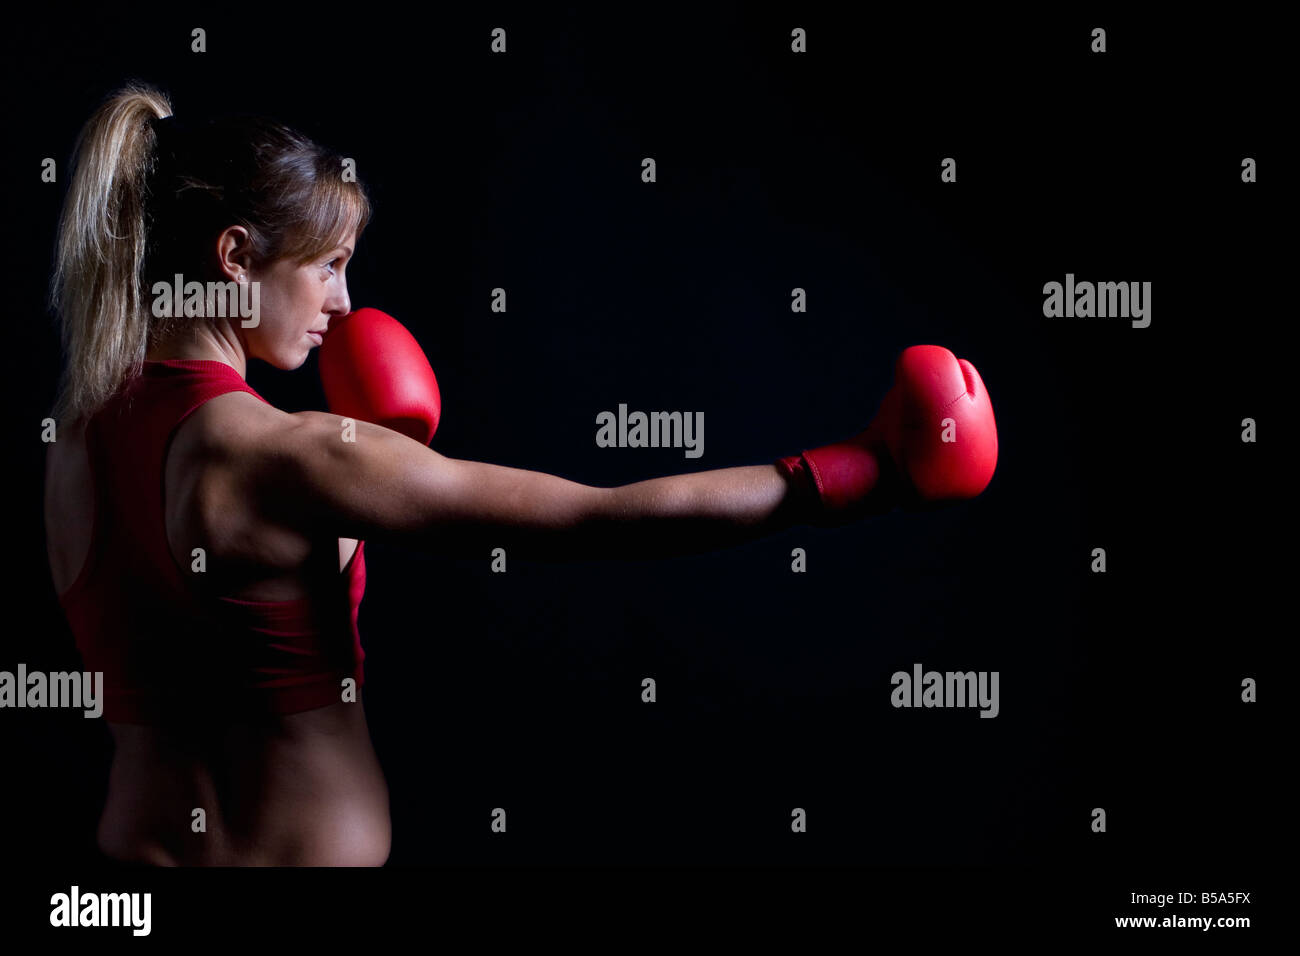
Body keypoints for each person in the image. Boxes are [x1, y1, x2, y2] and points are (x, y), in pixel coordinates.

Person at [44, 82, 998, 867]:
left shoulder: (77, 443)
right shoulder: (290, 456)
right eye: (329, 265)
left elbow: (211, 632)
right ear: (236, 257)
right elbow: (597, 517)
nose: (344, 301)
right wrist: (862, 472)